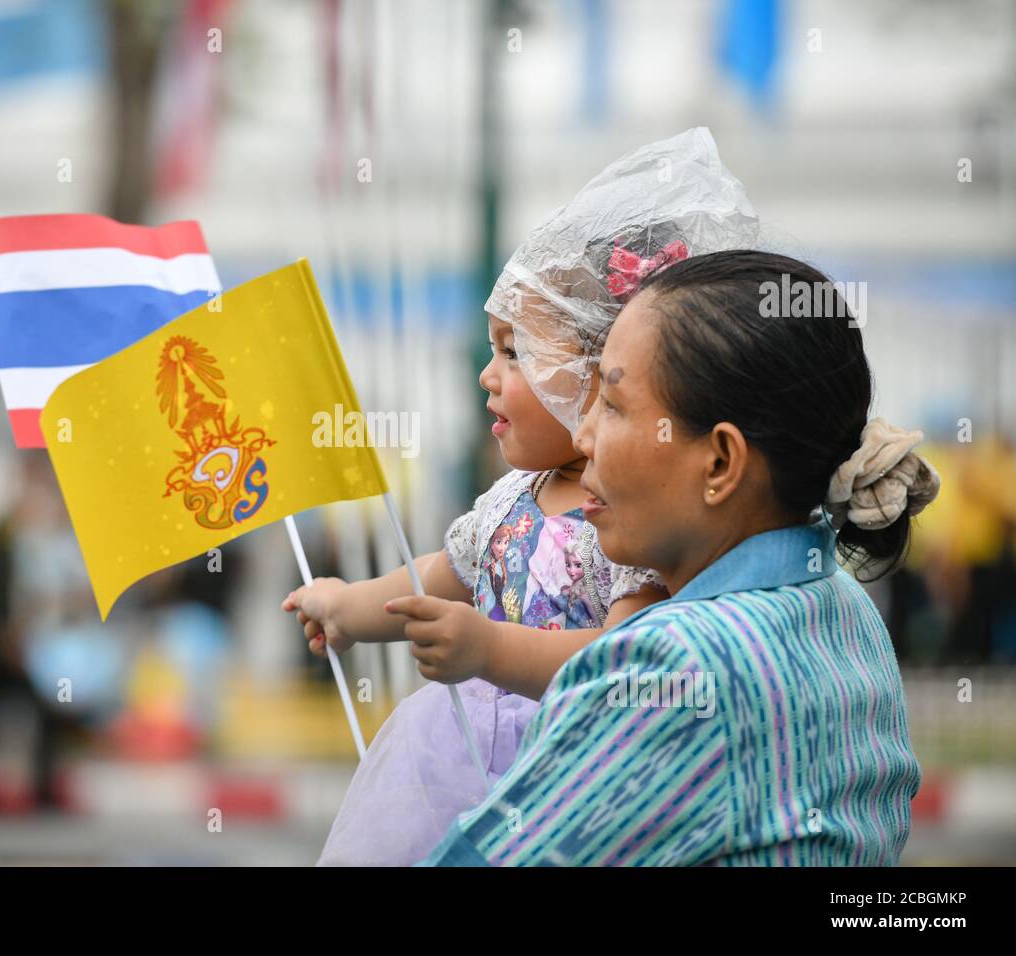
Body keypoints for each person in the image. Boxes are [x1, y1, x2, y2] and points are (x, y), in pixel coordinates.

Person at [283, 130, 760, 866]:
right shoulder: (512, 497)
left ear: (604, 374)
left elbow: (621, 658)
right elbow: (441, 575)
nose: (488, 374)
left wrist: (492, 649)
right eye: (491, 348)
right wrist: (348, 607)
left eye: (516, 352)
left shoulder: (631, 518)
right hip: (454, 761)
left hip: (566, 772)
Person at [420, 250, 939, 866]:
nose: (582, 437)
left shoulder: (672, 665)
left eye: (612, 406)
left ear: (720, 462)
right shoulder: (842, 606)